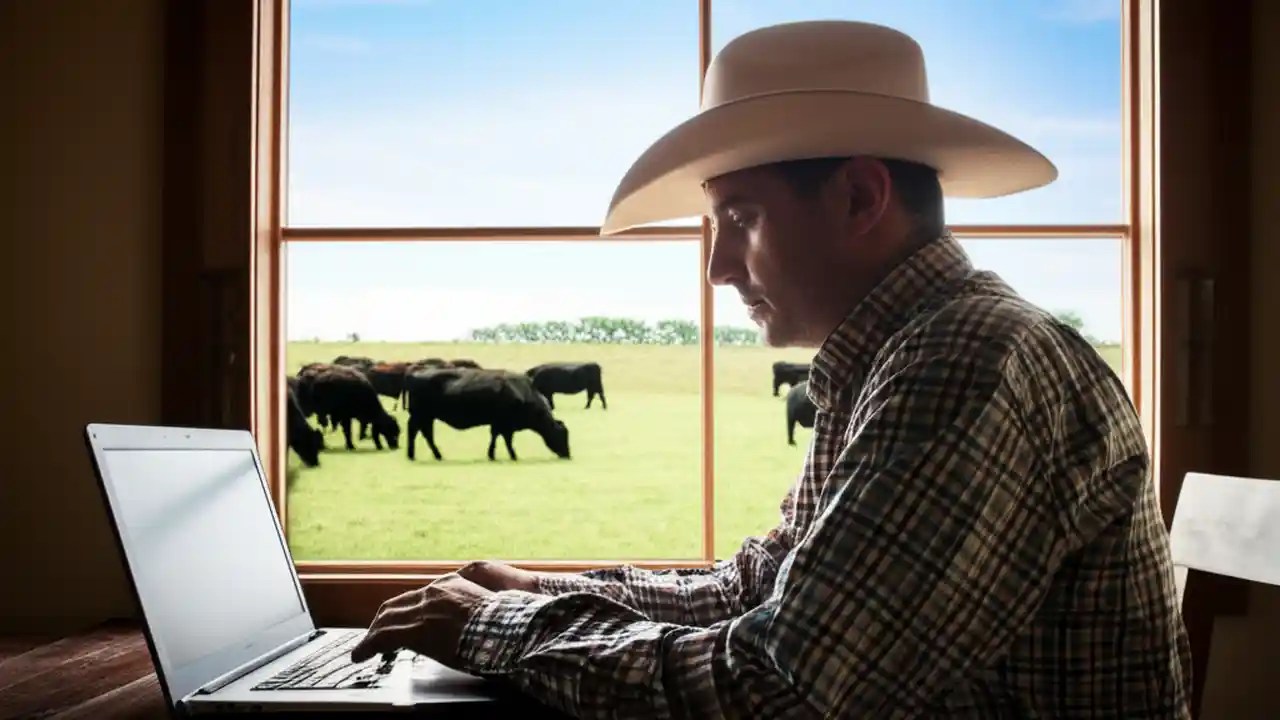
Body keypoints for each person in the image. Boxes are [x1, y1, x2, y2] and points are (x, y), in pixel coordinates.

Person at [350, 20, 1192, 718]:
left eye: (740, 219)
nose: (717, 268)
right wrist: (540, 590)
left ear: (861, 199)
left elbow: (778, 691)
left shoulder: (964, 364)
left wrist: (501, 628)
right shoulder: (902, 354)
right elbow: (762, 586)